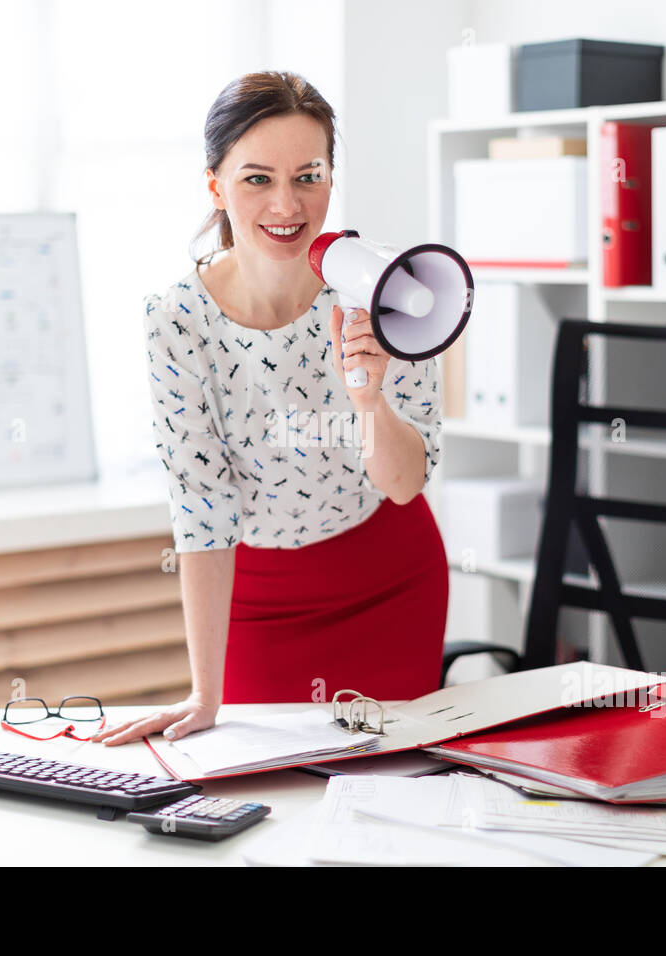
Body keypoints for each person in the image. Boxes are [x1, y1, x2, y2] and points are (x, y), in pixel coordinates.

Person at [95, 70, 448, 746]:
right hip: (260, 602)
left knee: (390, 788)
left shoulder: (388, 288)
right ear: (216, 185)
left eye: (308, 176)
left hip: (389, 579)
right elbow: (200, 504)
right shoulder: (177, 319)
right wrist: (205, 691)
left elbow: (404, 484)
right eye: (257, 178)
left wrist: (368, 398)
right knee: (271, 797)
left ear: (331, 179)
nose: (287, 203)